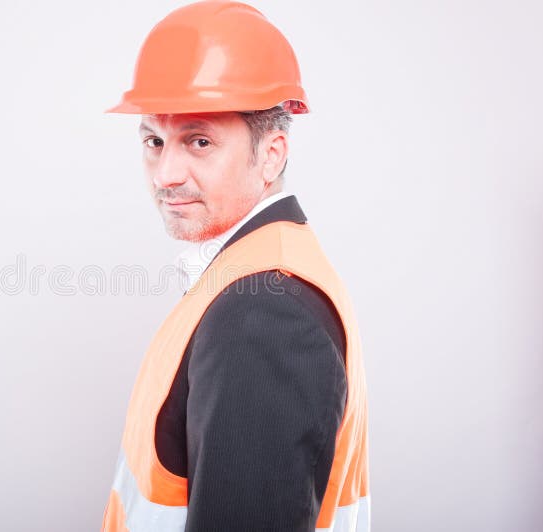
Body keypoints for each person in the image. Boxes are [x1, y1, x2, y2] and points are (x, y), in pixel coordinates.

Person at [100, 2, 370, 531]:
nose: (165, 175)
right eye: (155, 141)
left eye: (199, 141)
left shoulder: (264, 313)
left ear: (271, 156)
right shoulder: (253, 273)